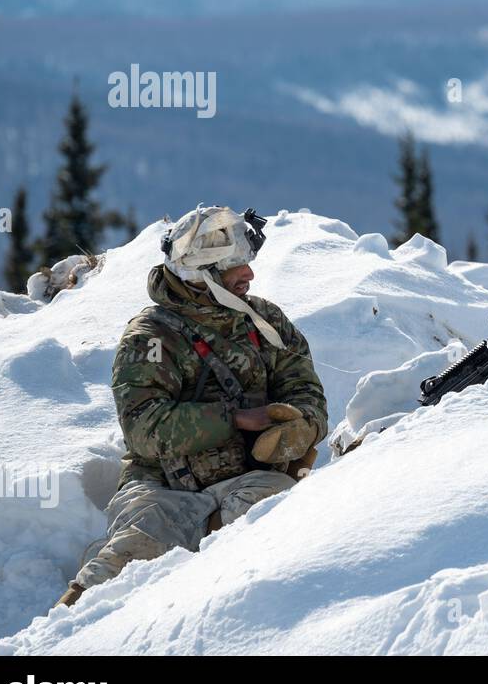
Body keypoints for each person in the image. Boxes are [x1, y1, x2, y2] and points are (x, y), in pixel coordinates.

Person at [55, 205, 328, 608]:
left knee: (274, 516)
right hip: (162, 490)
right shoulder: (150, 337)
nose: (248, 274)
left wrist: (300, 426)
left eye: (245, 261)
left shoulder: (265, 321)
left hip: (250, 480)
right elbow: (144, 429)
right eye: (232, 265)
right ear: (202, 276)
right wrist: (235, 419)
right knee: (117, 572)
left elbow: (307, 392)